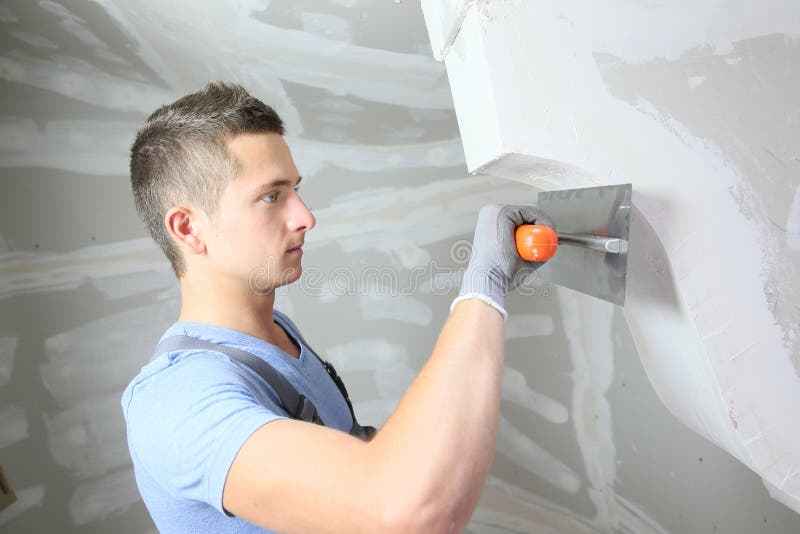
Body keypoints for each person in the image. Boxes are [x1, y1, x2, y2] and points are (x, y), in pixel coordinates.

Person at [120, 82, 552, 533]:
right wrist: (484, 287)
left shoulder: (274, 334)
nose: (305, 217)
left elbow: (363, 462)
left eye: (296, 190)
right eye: (272, 196)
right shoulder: (177, 400)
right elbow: (402, 515)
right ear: (187, 229)